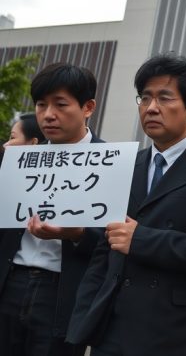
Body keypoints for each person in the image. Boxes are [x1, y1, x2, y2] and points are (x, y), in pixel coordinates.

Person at [67, 54, 186, 355]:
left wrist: (140, 239)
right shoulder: (124, 163)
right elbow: (105, 249)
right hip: (115, 325)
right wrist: (85, 313)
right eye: (144, 98)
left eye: (164, 98)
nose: (151, 108)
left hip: (178, 330)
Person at [0, 63, 103, 356]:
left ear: (88, 107)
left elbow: (115, 241)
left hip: (62, 292)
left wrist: (78, 234)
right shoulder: (20, 161)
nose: (48, 115)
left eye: (60, 104)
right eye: (41, 104)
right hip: (11, 281)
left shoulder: (110, 162)